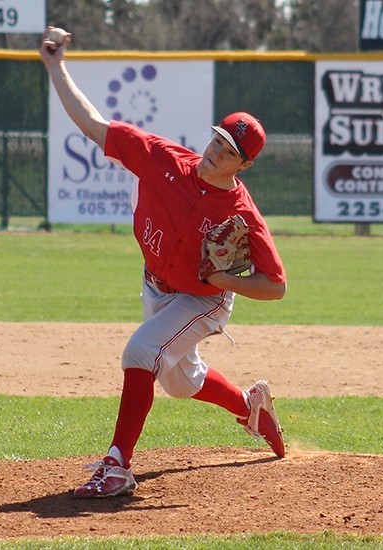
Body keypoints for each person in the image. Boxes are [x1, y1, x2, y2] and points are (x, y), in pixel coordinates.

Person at [38, 27, 289, 498]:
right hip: (157, 287)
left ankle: (117, 467)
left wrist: (221, 277)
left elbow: (275, 286)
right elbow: (92, 124)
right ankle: (252, 408)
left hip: (203, 299)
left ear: (243, 166)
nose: (215, 153)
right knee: (180, 380)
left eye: (228, 153)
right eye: (216, 141)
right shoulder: (163, 159)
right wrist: (56, 66)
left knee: (140, 352)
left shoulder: (242, 215)